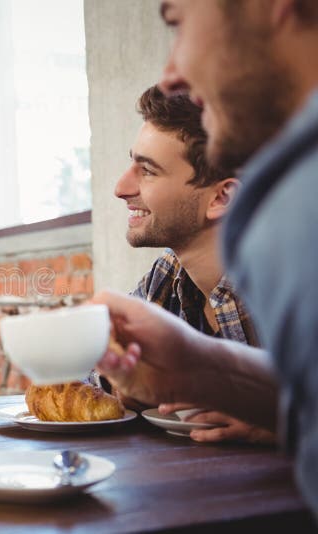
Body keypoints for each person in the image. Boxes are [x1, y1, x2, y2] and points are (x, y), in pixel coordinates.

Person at [95, 0, 318, 514]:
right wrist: (205, 370)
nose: (172, 71)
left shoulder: (295, 219)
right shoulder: (171, 277)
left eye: (177, 23)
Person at [114, 85, 272, 443]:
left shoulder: (293, 279)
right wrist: (126, 388)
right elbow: (97, 381)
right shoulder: (167, 277)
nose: (120, 188)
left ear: (221, 197)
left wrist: (284, 421)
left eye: (147, 170)